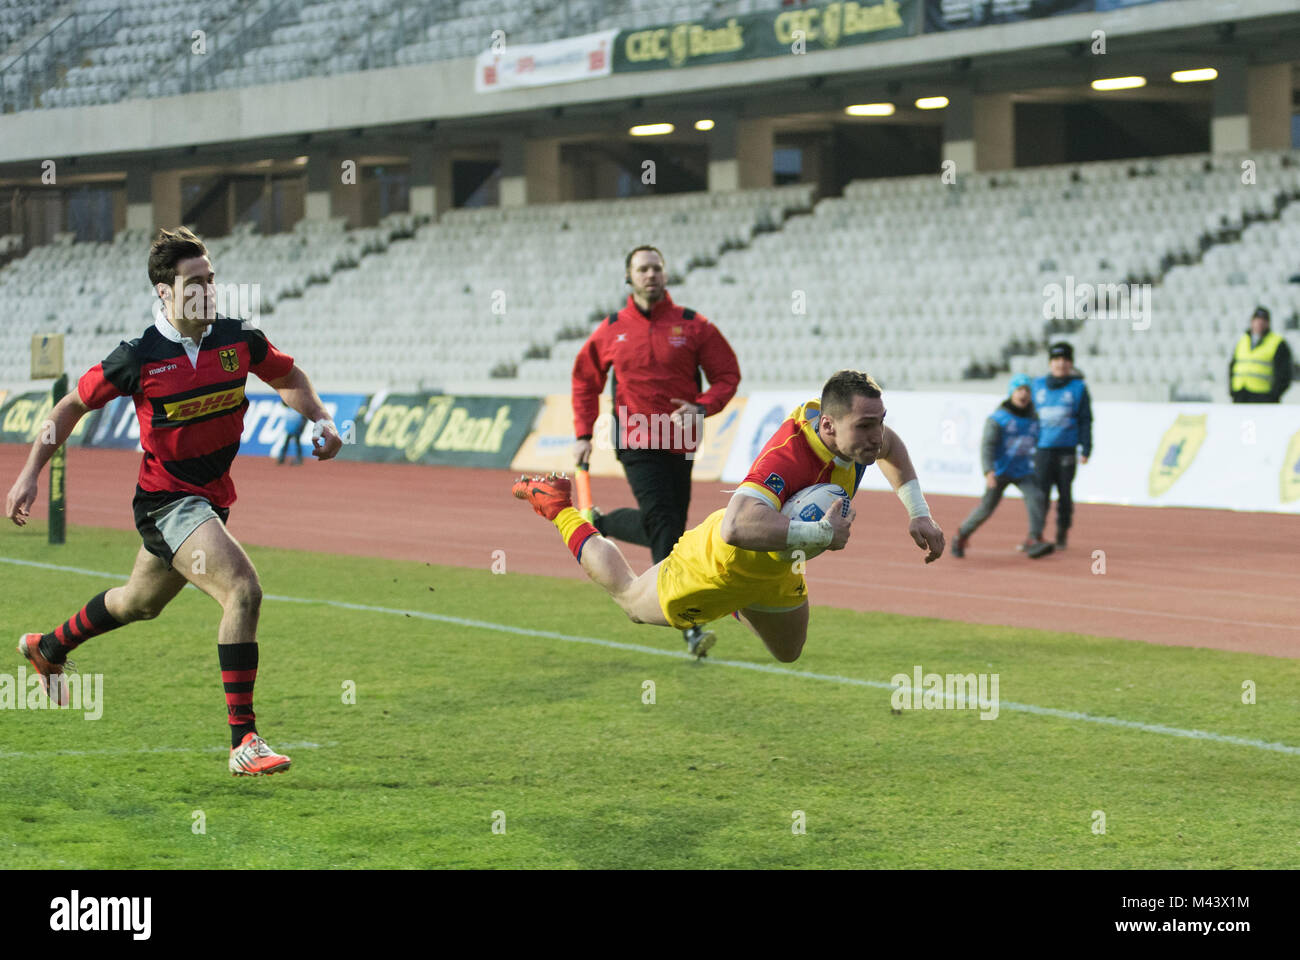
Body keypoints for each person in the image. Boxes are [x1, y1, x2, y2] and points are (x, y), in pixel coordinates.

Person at [4, 227, 343, 776]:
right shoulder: (138, 358)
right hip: (167, 503)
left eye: (212, 280)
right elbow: (69, 407)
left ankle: (48, 647)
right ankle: (244, 740)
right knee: (243, 590)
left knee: (139, 602)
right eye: (195, 283)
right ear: (165, 293)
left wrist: (324, 420)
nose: (209, 291)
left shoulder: (238, 340)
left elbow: (290, 377)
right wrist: (29, 474)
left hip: (211, 500)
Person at [518, 369, 945, 663]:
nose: (876, 436)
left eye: (879, 422)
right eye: (866, 427)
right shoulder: (789, 457)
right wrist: (821, 532)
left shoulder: (855, 432)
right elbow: (737, 525)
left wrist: (919, 512)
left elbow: (892, 447)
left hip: (777, 565)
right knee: (630, 600)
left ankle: (742, 606)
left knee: (789, 652)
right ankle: (559, 507)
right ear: (829, 426)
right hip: (719, 565)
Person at [571, 244, 741, 656]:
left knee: (666, 527)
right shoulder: (612, 328)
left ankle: (601, 522)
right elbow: (584, 380)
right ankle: (689, 623)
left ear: (666, 275)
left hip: (680, 443)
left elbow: (727, 375)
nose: (651, 275)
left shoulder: (694, 325)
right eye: (642, 269)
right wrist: (582, 433)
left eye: (657, 268)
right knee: (664, 521)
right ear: (629, 278)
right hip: (635, 440)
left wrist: (701, 407)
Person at [951, 374, 1052, 559]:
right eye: (1019, 390)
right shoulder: (998, 419)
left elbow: (1036, 442)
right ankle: (961, 535)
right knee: (986, 508)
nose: (1023, 394)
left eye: (1027, 390)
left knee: (1036, 497)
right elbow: (987, 446)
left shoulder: (1034, 417)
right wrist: (989, 471)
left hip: (1023, 471)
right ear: (1011, 393)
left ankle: (1034, 539)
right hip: (1000, 471)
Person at [1032, 341, 1092, 551]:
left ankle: (1061, 533)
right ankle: (1036, 534)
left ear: (1071, 363)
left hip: (1066, 449)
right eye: (1056, 359)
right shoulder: (1036, 385)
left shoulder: (1078, 387)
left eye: (1065, 360)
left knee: (1065, 495)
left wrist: (1086, 447)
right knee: (1041, 495)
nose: (1061, 364)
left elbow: (1085, 419)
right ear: (1050, 363)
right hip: (1042, 449)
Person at [1229, 305, 1293, 403]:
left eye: (1263, 320)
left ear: (1268, 323)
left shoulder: (1277, 342)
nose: (1260, 323)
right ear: (1251, 321)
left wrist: (1273, 395)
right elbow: (1232, 366)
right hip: (1241, 395)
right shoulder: (1242, 340)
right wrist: (1233, 391)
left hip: (1263, 397)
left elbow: (1284, 374)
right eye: (1257, 319)